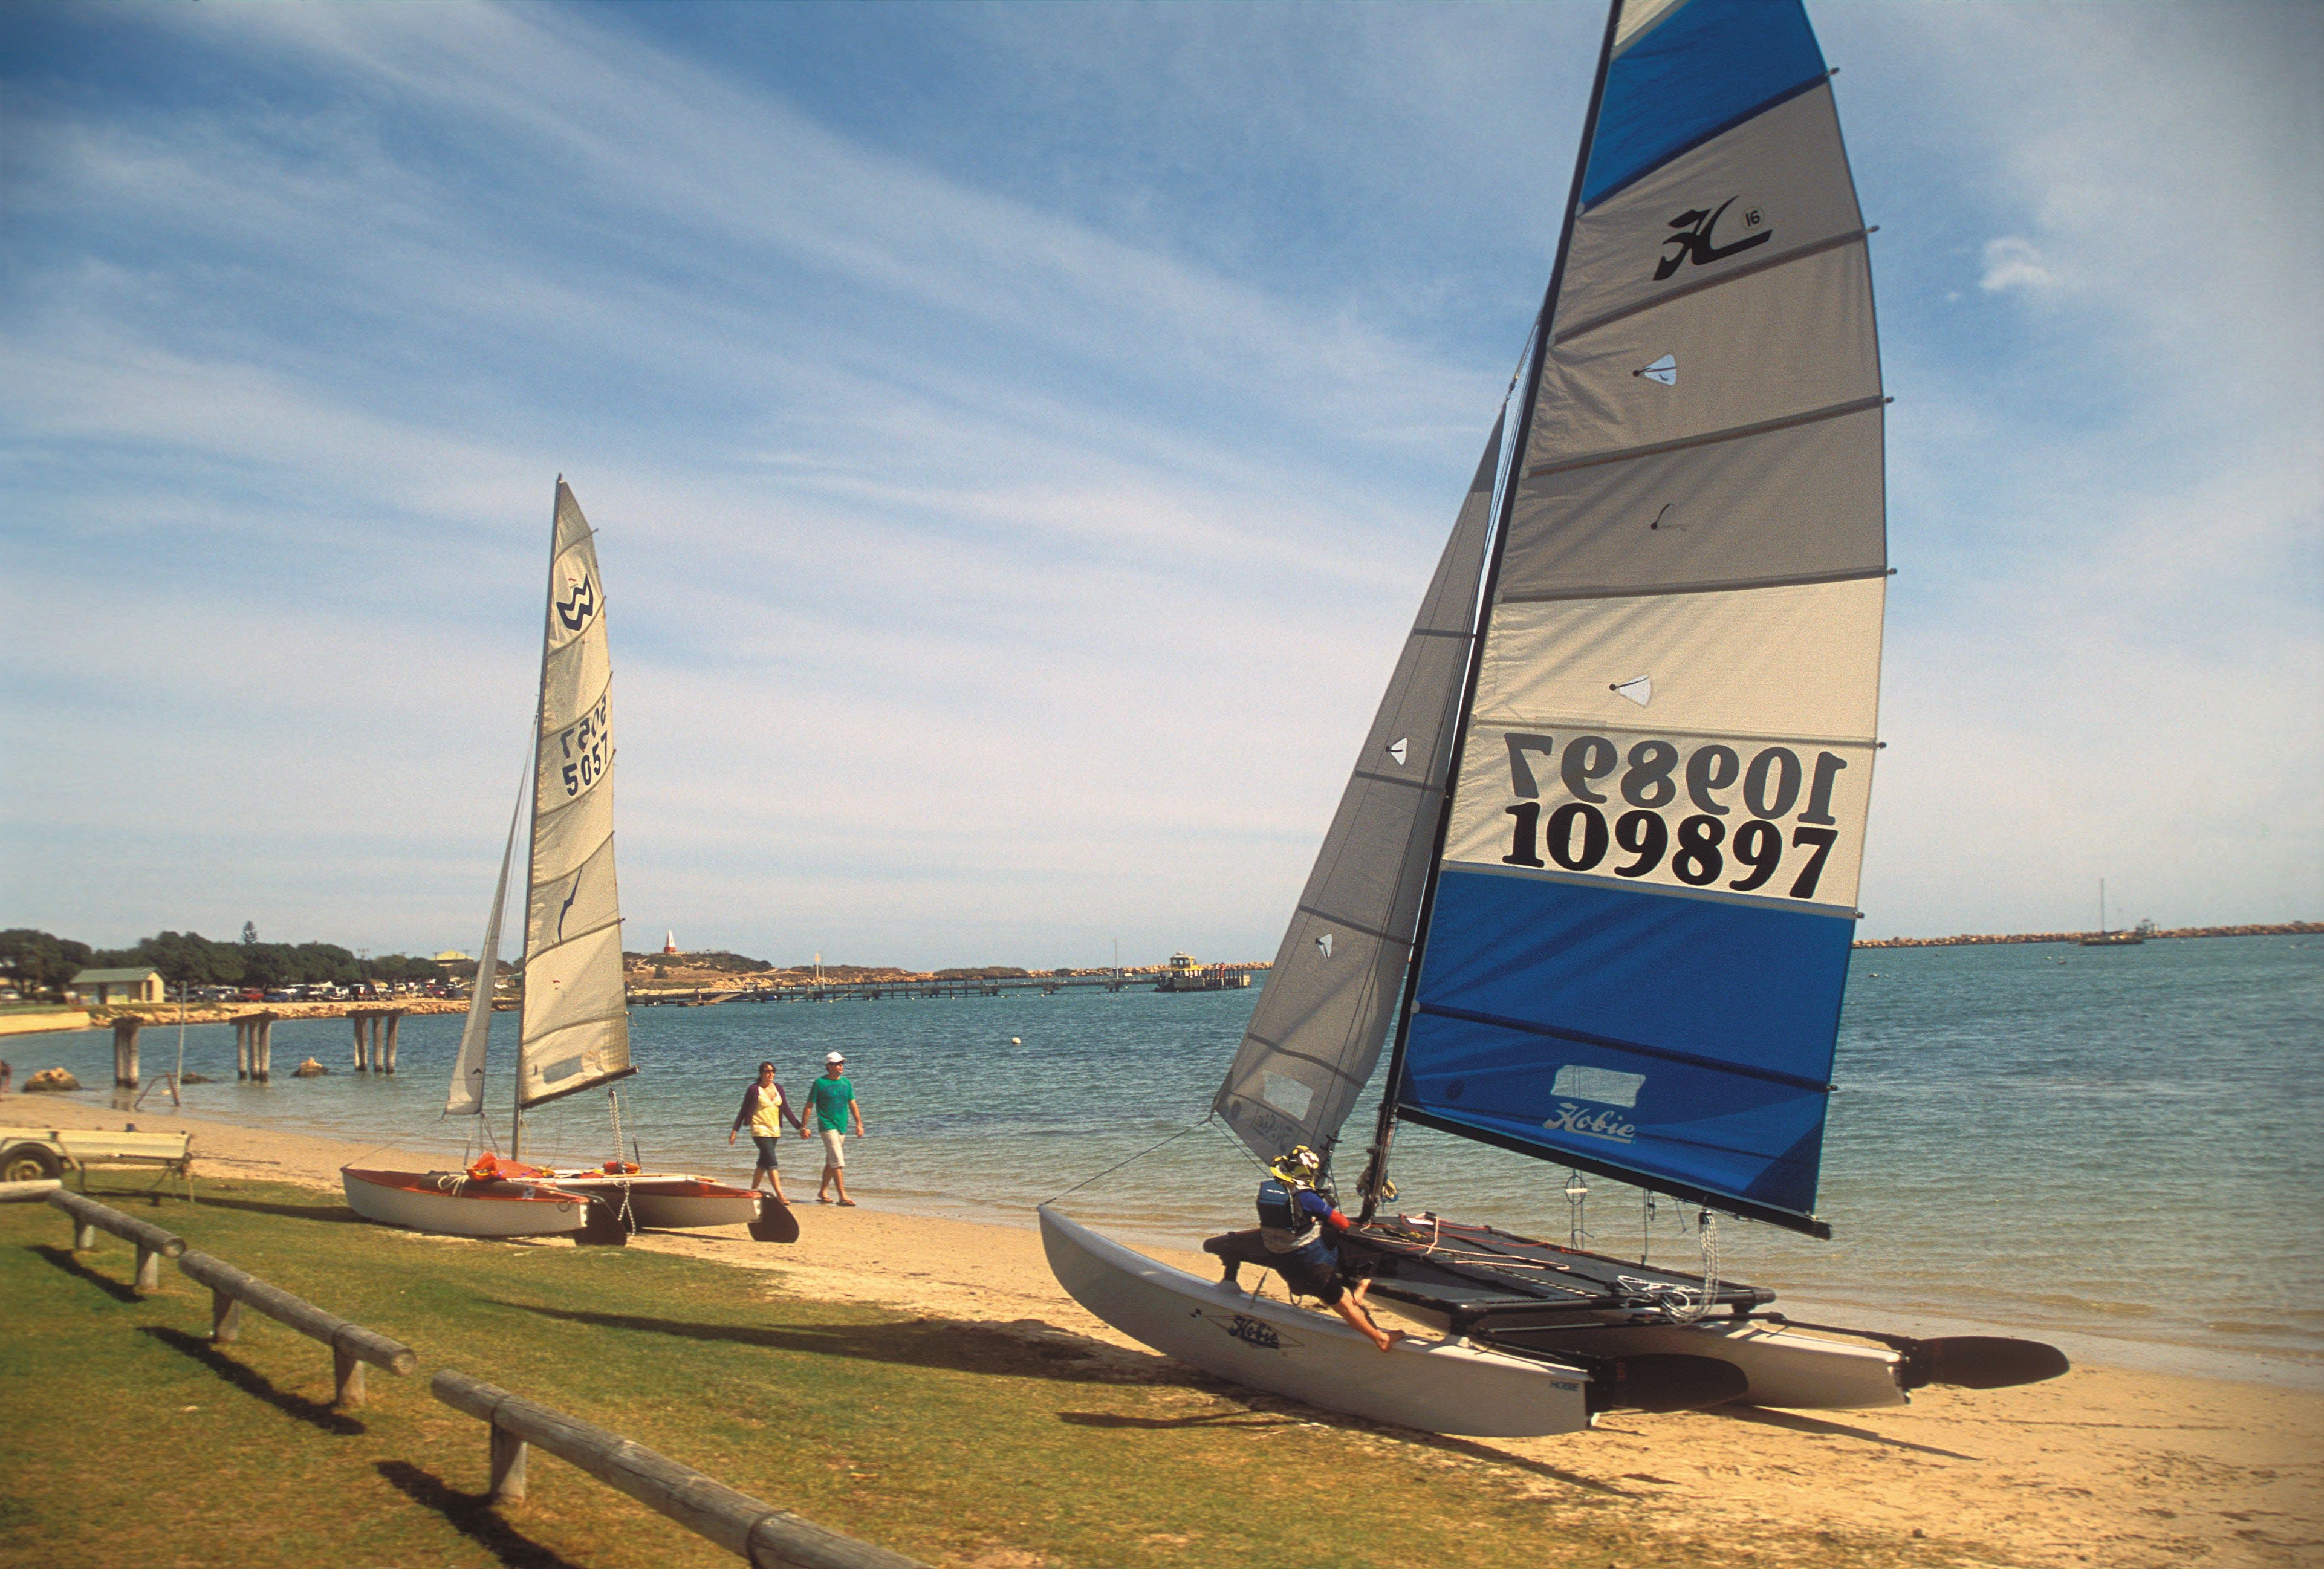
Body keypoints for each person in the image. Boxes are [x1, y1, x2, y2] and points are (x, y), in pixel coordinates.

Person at [1258, 1145, 1404, 1352]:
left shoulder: (1273, 1189)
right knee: (1342, 1304)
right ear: (1308, 1173)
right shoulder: (1306, 1197)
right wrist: (1323, 1210)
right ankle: (1380, 1339)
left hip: (1282, 1260)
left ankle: (1356, 1293)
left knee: (1332, 1286)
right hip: (1309, 1264)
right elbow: (1342, 1224)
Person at [727, 1061, 802, 1202]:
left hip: (774, 1131)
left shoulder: (778, 1088)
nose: (771, 1074)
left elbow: (786, 1109)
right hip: (759, 1129)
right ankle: (780, 1195)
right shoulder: (754, 1089)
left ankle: (753, 1191)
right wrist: (735, 1131)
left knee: (763, 1162)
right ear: (761, 1073)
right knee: (772, 1161)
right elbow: (743, 1110)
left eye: (773, 1071)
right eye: (768, 1071)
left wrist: (800, 1127)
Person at [801, 1050, 865, 1205]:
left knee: (831, 1161)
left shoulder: (846, 1083)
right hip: (826, 1125)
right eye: (837, 1064)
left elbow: (852, 1103)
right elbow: (809, 1106)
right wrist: (804, 1126)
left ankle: (823, 1191)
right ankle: (842, 1196)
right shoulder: (820, 1083)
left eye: (842, 1063)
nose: (841, 1066)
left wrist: (859, 1123)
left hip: (842, 1125)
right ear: (829, 1066)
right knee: (838, 1160)